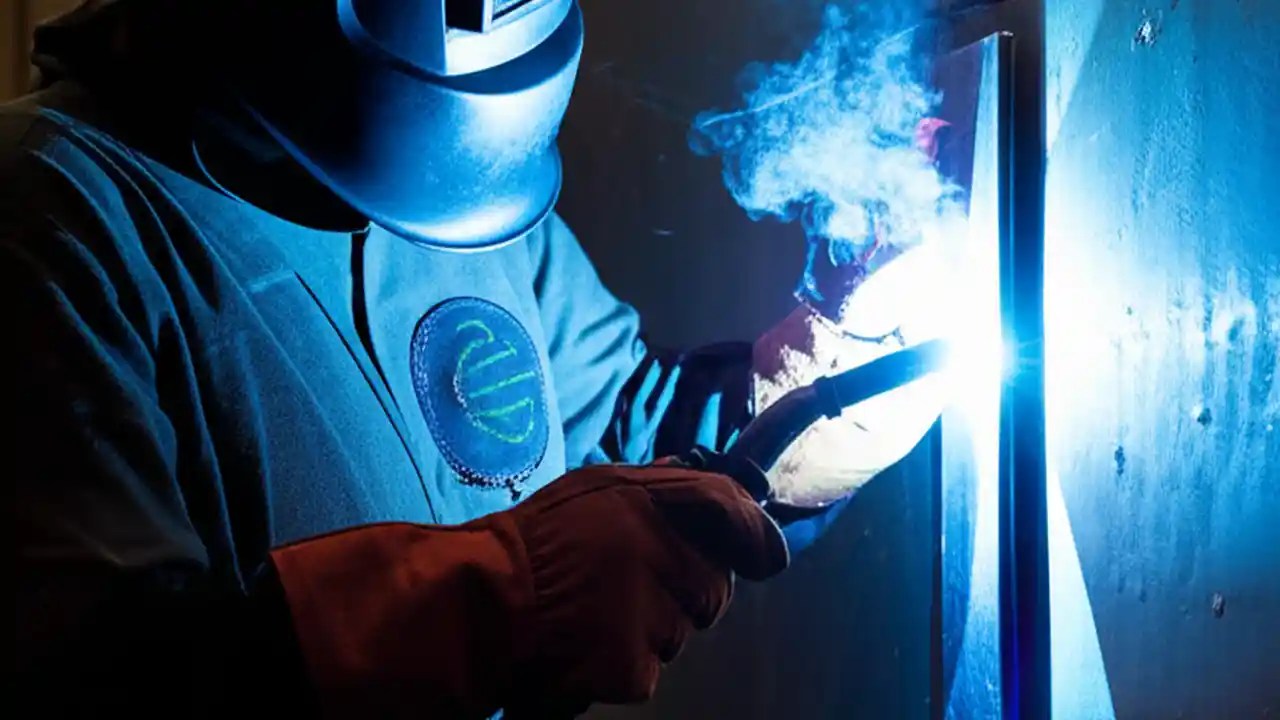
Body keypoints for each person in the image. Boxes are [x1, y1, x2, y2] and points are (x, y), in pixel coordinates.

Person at [6, 0, 944, 716]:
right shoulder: (53, 215)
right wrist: (486, 601)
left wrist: (801, 392)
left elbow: (618, 440)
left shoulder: (459, 204)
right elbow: (97, 673)